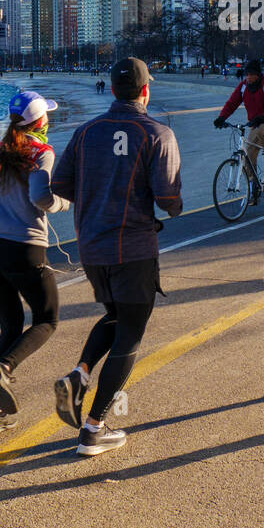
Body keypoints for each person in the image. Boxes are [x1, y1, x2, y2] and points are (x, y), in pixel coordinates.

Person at [51, 57, 182, 456]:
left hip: (91, 248)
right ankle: (94, 427)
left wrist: (101, 193)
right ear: (146, 91)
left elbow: (61, 185)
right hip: (134, 250)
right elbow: (170, 202)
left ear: (111, 90)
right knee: (130, 334)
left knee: (115, 316)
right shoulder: (157, 134)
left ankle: (81, 372)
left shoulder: (85, 132)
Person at [0, 90, 70, 440]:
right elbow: (41, 197)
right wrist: (62, 204)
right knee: (47, 318)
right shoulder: (42, 152)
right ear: (41, 122)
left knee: (11, 325)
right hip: (24, 249)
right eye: (49, 117)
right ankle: (4, 366)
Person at [213, 59, 264, 205]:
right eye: (247, 74)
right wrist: (221, 118)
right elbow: (232, 103)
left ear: (258, 75)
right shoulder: (243, 86)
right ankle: (253, 189)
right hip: (255, 124)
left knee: (263, 131)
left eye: (251, 74)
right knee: (248, 156)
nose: (248, 77)